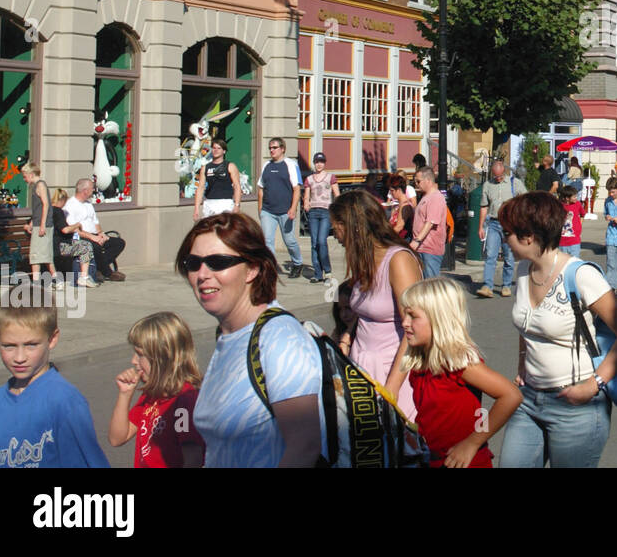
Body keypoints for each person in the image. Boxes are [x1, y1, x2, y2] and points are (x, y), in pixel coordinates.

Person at [497, 192, 617, 468]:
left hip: (576, 405)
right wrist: (522, 364)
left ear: (528, 236)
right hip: (528, 399)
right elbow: (527, 327)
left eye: (508, 233)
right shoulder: (523, 270)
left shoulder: (581, 275)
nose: (505, 240)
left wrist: (594, 384)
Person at [176, 212, 325, 466]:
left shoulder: (280, 338)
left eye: (218, 262)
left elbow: (304, 448)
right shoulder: (229, 335)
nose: (202, 274)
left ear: (253, 269)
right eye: (194, 263)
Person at [384, 278, 523, 467]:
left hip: (464, 461)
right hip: (433, 458)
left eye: (412, 316)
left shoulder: (459, 362)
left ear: (438, 318)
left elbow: (510, 396)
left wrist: (473, 443)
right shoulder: (420, 361)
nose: (405, 323)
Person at [332, 190, 423, 420]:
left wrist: (391, 389)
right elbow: (365, 312)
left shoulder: (398, 260)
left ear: (352, 226)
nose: (335, 235)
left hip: (393, 373)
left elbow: (414, 329)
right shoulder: (366, 259)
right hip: (362, 371)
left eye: (336, 227)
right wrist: (346, 336)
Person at [0, 305, 109, 468]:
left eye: (31, 345)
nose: (20, 357)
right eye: (9, 346)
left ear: (52, 339)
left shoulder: (64, 401)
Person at [107, 312, 205, 468]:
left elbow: (193, 457)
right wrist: (125, 394)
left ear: (163, 357)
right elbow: (117, 438)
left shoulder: (184, 401)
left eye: (140, 355)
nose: (133, 361)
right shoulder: (151, 396)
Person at [63, 178, 127, 282]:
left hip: (95, 235)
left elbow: (95, 222)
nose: (94, 191)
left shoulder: (88, 204)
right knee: (95, 247)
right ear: (85, 191)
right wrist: (93, 237)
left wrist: (101, 234)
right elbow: (74, 230)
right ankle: (108, 273)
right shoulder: (70, 205)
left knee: (119, 243)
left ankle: (97, 268)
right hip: (81, 237)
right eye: (92, 189)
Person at [257, 137, 303, 279]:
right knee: (267, 240)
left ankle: (297, 263)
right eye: (270, 148)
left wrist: (293, 208)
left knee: (289, 241)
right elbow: (260, 188)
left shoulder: (290, 164)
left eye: (274, 147)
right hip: (268, 210)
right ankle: (271, 268)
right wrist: (260, 209)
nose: (271, 150)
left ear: (282, 148)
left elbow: (297, 188)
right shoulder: (266, 166)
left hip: (285, 211)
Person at [478, 160, 519, 298]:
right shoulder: (487, 185)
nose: (498, 178)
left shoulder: (514, 183)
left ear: (504, 172)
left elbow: (525, 199)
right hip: (493, 223)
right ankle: (487, 286)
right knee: (490, 255)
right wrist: (481, 226)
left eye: (500, 176)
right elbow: (484, 206)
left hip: (509, 224)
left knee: (509, 257)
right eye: (496, 176)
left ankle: (506, 286)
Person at [303, 153, 339, 284]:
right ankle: (317, 273)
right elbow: (307, 194)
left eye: (321, 162)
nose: (319, 164)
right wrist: (306, 203)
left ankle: (327, 272)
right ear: (314, 163)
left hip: (326, 212)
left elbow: (337, 194)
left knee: (321, 241)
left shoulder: (330, 177)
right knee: (314, 243)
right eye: (317, 162)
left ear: (325, 163)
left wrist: (336, 210)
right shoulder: (309, 179)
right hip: (313, 212)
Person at [21, 164, 58, 285]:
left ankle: (39, 282)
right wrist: (32, 223)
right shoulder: (36, 186)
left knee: (36, 255)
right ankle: (55, 280)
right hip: (39, 223)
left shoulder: (40, 185)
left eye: (25, 176)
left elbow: (46, 204)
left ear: (31, 174)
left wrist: (42, 225)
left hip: (43, 225)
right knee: (43, 255)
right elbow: (38, 208)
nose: (24, 179)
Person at [49, 189, 94, 288]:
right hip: (59, 248)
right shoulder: (58, 211)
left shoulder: (46, 210)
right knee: (86, 246)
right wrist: (77, 225)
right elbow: (65, 230)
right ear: (63, 201)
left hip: (47, 246)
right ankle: (84, 277)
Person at [410, 167, 448, 278]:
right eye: (415, 181)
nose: (416, 184)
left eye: (418, 181)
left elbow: (430, 222)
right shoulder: (426, 196)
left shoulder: (435, 197)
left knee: (431, 286)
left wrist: (417, 240)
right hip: (422, 247)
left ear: (428, 180)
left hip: (429, 249)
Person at [193, 138, 241, 219]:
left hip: (225, 203)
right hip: (209, 203)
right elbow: (200, 188)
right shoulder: (205, 168)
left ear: (224, 151)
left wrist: (237, 205)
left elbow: (237, 186)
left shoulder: (230, 166)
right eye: (214, 148)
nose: (216, 150)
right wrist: (196, 209)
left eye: (219, 148)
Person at [559, 185, 584, 258]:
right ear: (567, 198)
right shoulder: (559, 205)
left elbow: (582, 214)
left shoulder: (578, 204)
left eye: (576, 196)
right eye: (574, 196)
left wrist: (579, 224)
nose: (576, 198)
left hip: (574, 241)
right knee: (563, 264)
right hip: (562, 242)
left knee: (575, 262)